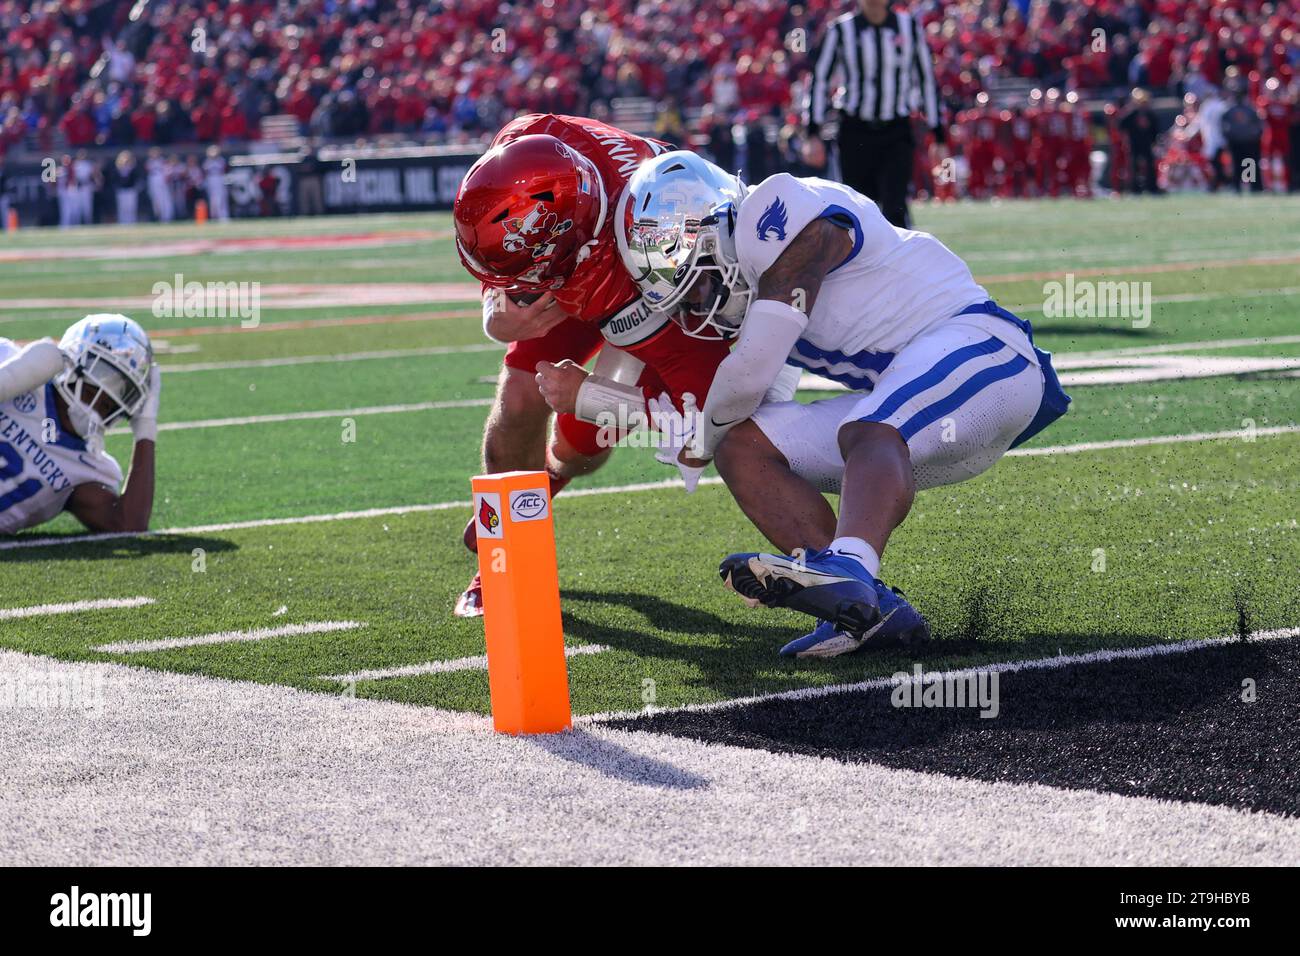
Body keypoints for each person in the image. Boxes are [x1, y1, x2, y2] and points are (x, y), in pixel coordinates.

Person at [617, 151, 1070, 657]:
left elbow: (748, 375)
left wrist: (696, 441)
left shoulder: (779, 207)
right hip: (930, 412)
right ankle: (862, 610)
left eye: (701, 282)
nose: (700, 305)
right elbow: (755, 404)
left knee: (868, 428)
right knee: (744, 445)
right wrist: (684, 430)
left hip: (990, 355)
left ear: (714, 227)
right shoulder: (757, 284)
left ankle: (849, 565)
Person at [452, 115, 768, 617]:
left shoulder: (629, 261)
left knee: (585, 439)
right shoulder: (529, 144)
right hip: (585, 259)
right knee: (517, 400)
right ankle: (503, 559)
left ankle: (552, 477)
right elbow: (504, 242)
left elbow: (707, 413)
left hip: (656, 272)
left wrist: (590, 398)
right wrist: (497, 307)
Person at [0, 315, 160, 535]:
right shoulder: (10, 359)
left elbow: (128, 524)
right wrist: (10, 378)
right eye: (96, 389)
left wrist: (146, 431)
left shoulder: (88, 468)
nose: (105, 396)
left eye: (108, 403)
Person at [803, 0, 945, 227]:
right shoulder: (841, 29)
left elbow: (926, 79)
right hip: (855, 130)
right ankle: (861, 263)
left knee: (895, 207)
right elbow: (819, 80)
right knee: (857, 209)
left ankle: (899, 262)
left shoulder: (909, 26)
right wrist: (812, 132)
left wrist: (938, 135)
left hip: (896, 130)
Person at [110, 151, 141, 224]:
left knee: (131, 208)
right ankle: (122, 223)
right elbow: (114, 180)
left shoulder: (134, 169)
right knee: (122, 208)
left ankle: (132, 223)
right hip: (121, 191)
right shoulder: (117, 170)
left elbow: (137, 179)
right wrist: (117, 188)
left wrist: (135, 188)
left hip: (131, 190)